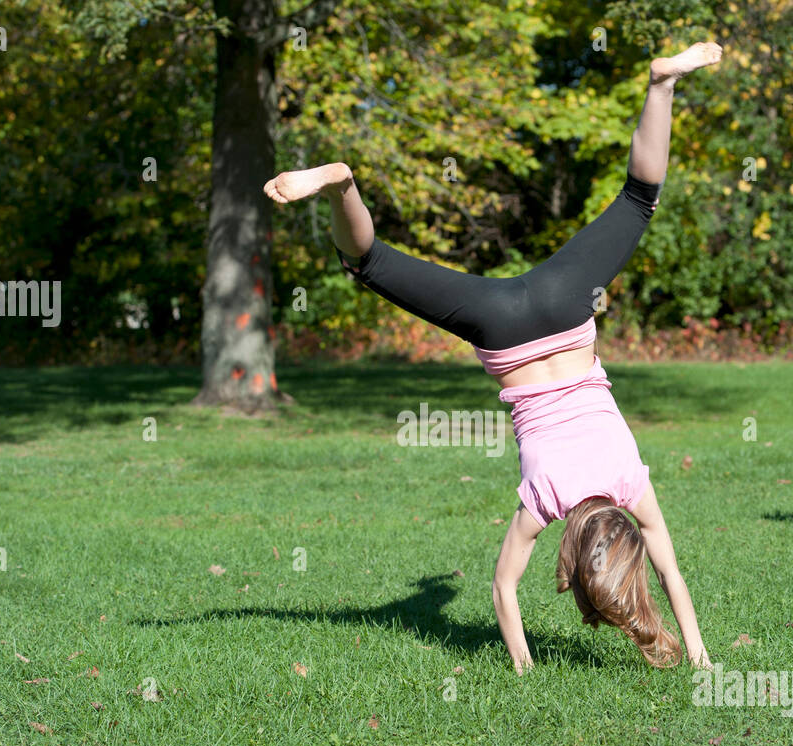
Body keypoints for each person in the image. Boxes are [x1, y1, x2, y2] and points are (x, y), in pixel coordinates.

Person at [264, 42, 722, 673]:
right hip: (500, 326)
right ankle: (342, 184)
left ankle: (661, 84)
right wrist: (523, 669)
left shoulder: (630, 482)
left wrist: (696, 645)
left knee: (640, 197)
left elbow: (667, 568)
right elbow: (503, 590)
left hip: (564, 302)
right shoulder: (543, 500)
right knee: (367, 266)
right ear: (573, 549)